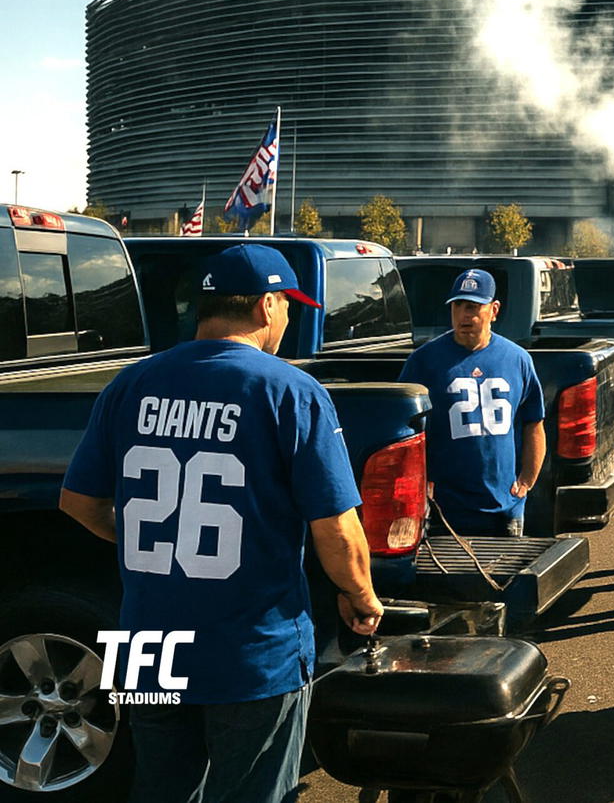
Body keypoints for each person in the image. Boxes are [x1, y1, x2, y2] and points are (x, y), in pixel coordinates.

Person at [59, 245, 382, 802]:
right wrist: (360, 594)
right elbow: (335, 525)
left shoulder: (130, 385)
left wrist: (145, 537)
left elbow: (78, 502)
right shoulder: (290, 392)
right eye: (286, 306)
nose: (286, 319)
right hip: (252, 652)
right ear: (264, 307)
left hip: (149, 646)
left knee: (163, 788)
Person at [398, 269, 546, 537]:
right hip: (445, 508)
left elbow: (533, 423)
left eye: (473, 306)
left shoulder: (517, 359)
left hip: (506, 506)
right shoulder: (424, 361)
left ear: (494, 310)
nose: (464, 315)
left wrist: (527, 480)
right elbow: (405, 430)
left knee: (506, 577)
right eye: (457, 306)